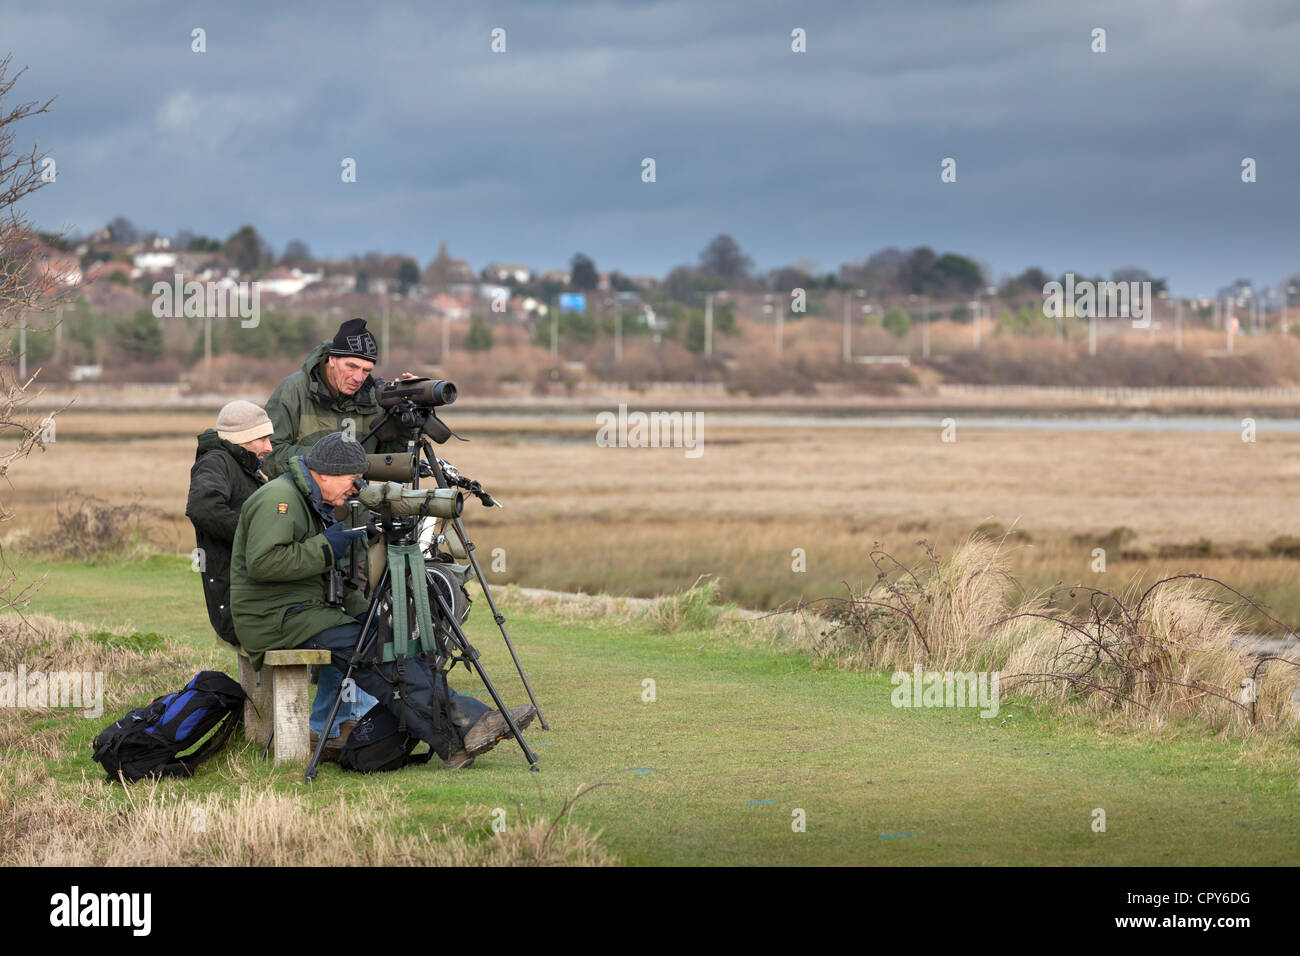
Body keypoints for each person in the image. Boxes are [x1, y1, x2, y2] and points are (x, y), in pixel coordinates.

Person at [229, 432, 535, 768]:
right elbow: (264, 563)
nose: (356, 487)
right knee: (377, 652)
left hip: (306, 611)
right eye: (352, 479)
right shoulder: (279, 499)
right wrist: (330, 546)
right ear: (325, 473)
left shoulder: (317, 500)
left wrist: (369, 616)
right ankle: (469, 725)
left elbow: (336, 579)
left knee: (391, 643)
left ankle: (455, 741)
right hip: (275, 618)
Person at [261, 317, 409, 480]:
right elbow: (268, 456)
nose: (359, 378)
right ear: (332, 359)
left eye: (366, 370)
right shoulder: (293, 390)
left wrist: (403, 422)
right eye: (351, 366)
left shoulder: (374, 397)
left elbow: (388, 461)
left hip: (355, 502)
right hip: (303, 502)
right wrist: (327, 458)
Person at [185, 401, 272, 646]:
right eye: (262, 439)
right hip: (237, 603)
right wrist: (257, 537)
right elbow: (203, 508)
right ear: (242, 438)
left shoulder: (243, 466)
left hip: (251, 593)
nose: (270, 447)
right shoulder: (217, 462)